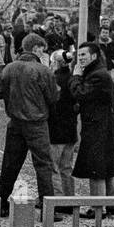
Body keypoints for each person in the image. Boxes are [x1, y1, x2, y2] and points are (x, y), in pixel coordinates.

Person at [0, 32, 58, 218]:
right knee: (43, 165)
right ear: (37, 48)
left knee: (10, 163)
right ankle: (48, 209)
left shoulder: (9, 68)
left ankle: (2, 202)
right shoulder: (43, 70)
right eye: (42, 49)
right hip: (37, 123)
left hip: (15, 122)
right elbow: (53, 97)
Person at [69, 41, 114, 217]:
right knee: (107, 165)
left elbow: (81, 94)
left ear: (94, 56)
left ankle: (97, 208)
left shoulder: (97, 75)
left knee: (96, 166)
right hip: (104, 124)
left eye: (83, 55)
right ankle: (112, 204)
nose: (80, 58)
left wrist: (75, 77)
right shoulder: (99, 72)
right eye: (79, 54)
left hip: (98, 126)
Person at [48, 49, 78, 216]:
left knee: (54, 167)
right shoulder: (73, 79)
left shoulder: (55, 80)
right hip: (71, 129)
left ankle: (58, 200)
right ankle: (69, 198)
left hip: (55, 130)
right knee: (67, 167)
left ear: (56, 62)